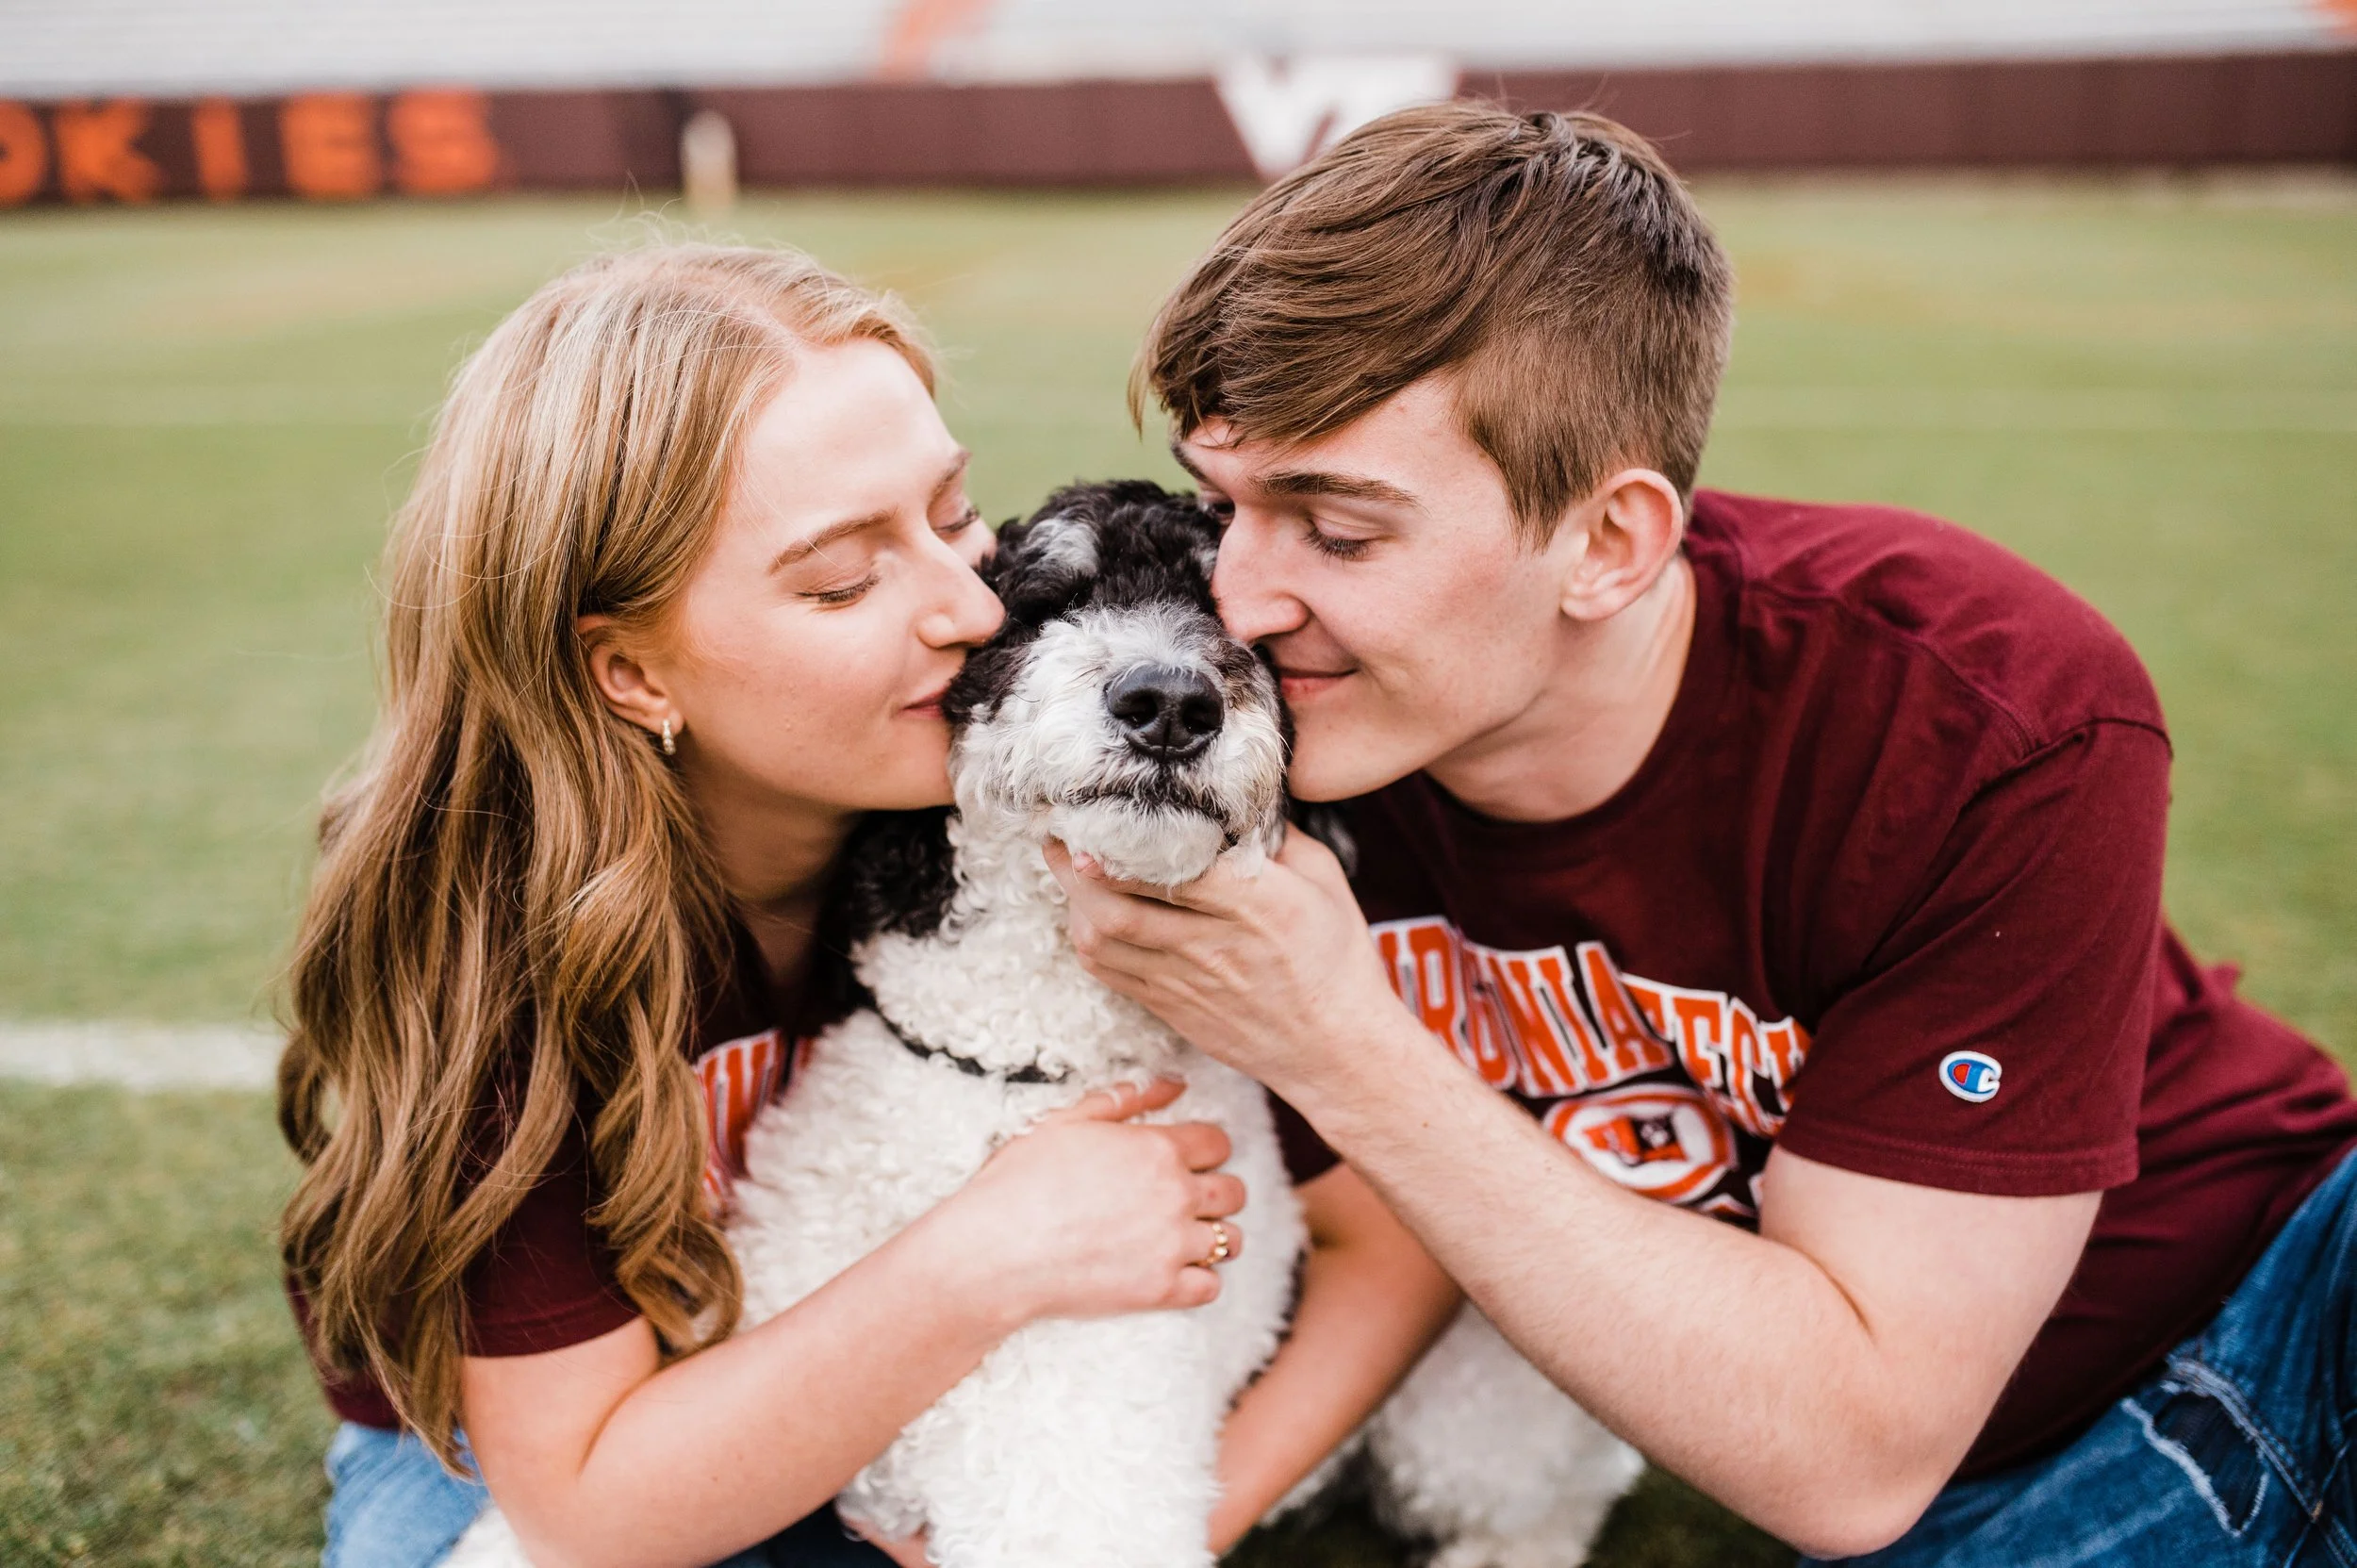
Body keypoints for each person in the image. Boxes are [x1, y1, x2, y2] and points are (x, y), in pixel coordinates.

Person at [1050, 102, 2357, 1565]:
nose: (1238, 596)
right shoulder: (1230, 722)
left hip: (2280, 1293)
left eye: (1340, 532)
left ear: (1611, 544)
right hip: (1979, 1502)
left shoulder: (1976, 710)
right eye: (1221, 500)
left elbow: (1852, 1443)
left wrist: (1340, 1041)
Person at [275, 243, 1458, 1568]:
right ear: (630, 673)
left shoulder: (1027, 831)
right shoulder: (512, 949)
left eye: (954, 515)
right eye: (844, 579)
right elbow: (590, 1509)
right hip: (533, 1442)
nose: (966, 606)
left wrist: (1198, 1505)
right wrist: (987, 1257)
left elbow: (1389, 1250)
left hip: (877, 1380)